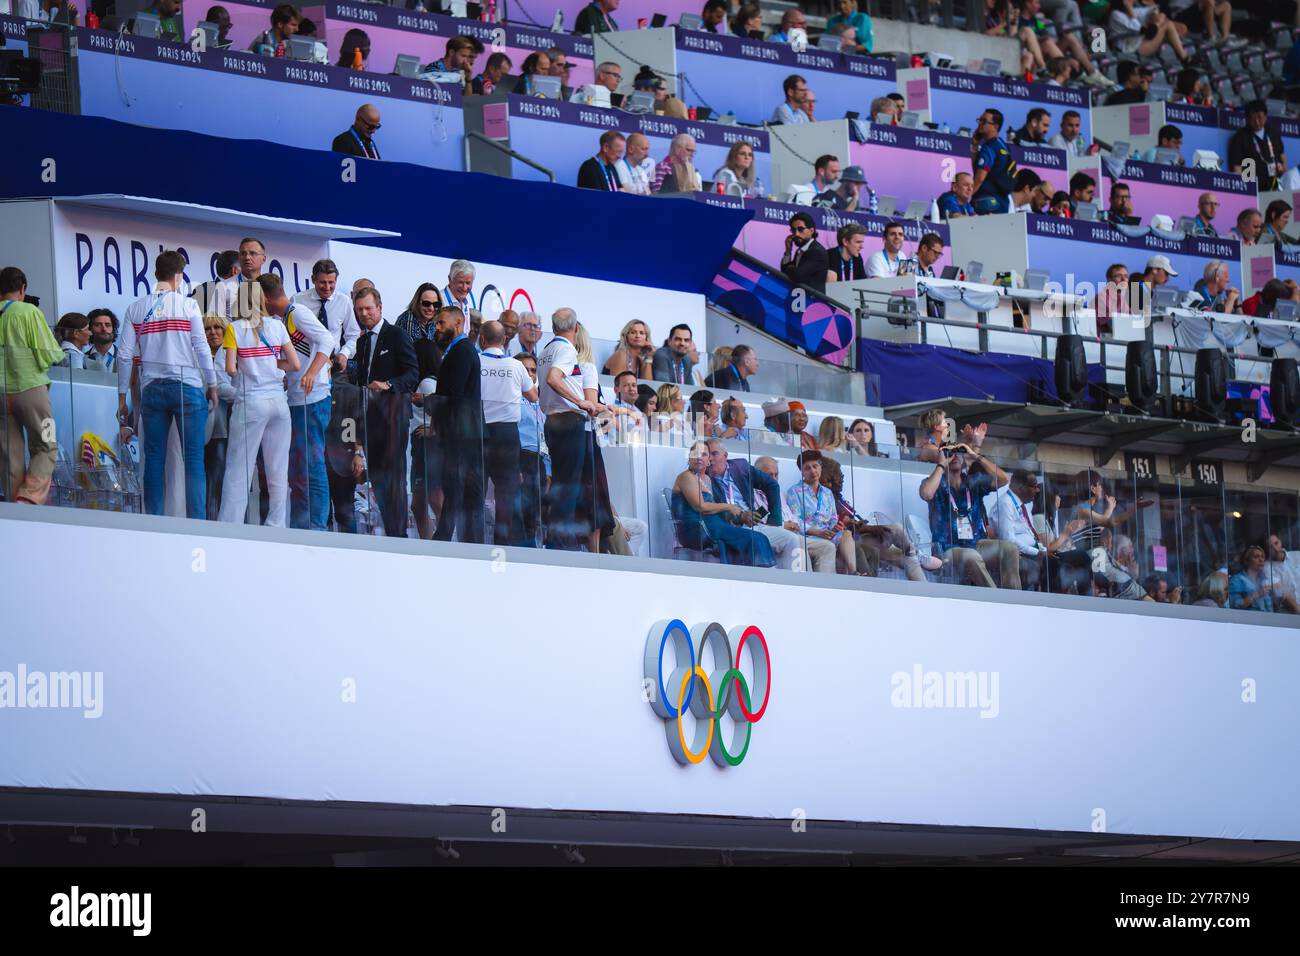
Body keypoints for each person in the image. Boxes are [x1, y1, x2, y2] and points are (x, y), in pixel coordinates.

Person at [116, 252, 217, 518]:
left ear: (155, 274)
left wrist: (121, 397)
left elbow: (124, 355)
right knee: (194, 460)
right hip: (188, 387)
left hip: (151, 388)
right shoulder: (188, 306)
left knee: (154, 459)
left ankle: (154, 520)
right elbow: (202, 347)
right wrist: (213, 384)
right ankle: (198, 524)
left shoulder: (135, 308)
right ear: (178, 276)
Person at [217, 278, 300, 527]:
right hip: (278, 402)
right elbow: (294, 365)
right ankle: (277, 525)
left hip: (251, 401)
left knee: (238, 468)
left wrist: (249, 366)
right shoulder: (277, 327)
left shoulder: (234, 329)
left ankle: (230, 525)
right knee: (278, 469)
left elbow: (230, 369)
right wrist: (268, 367)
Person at [264, 273, 335, 531]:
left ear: (266, 298)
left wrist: (311, 373)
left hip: (313, 398)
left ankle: (317, 526)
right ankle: (303, 523)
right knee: (299, 465)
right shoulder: (281, 319)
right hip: (296, 397)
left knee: (313, 463)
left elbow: (328, 339)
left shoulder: (298, 312)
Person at [352, 286, 418, 536]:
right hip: (370, 417)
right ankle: (391, 531)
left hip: (393, 416)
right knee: (378, 479)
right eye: (360, 310)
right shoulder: (362, 341)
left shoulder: (397, 335)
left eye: (369, 308)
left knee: (394, 479)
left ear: (380, 308)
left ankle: (398, 535)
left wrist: (389, 385)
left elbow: (412, 372)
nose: (365, 313)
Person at [0, 267, 62, 504]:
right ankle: (28, 498)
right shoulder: (28, 312)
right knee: (47, 446)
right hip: (32, 392)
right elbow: (50, 354)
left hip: (1, 394)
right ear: (23, 288)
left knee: (9, 454)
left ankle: (12, 502)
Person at [540, 308, 598, 547]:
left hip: (552, 421)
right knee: (569, 485)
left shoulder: (546, 350)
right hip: (568, 421)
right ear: (576, 328)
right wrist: (580, 401)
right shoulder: (565, 349)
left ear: (554, 328)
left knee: (562, 483)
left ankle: (557, 539)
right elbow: (553, 379)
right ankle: (559, 542)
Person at [426, 305, 484, 544]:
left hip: (461, 434)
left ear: (458, 324)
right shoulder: (458, 350)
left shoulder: (461, 351)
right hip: (460, 432)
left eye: (441, 323)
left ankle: (446, 538)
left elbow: (453, 395)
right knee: (457, 487)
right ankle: (459, 538)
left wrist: (426, 400)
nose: (436, 328)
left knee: (456, 487)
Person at [918, 442, 1012, 587]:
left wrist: (975, 456)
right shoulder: (935, 483)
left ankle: (1012, 597)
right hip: (947, 549)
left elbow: (1004, 479)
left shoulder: (973, 482)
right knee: (970, 555)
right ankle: (995, 598)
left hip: (977, 544)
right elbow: (926, 493)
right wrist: (941, 465)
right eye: (949, 453)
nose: (955, 456)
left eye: (958, 452)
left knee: (1009, 549)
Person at [671, 441, 774, 566]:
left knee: (758, 537)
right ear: (689, 458)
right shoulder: (686, 477)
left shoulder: (707, 479)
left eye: (703, 454)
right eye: (695, 453)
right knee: (754, 539)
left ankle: (752, 576)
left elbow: (714, 508)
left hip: (713, 524)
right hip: (697, 528)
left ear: (708, 460)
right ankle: (753, 577)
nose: (699, 457)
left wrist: (739, 517)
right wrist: (730, 506)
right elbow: (701, 507)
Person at [704, 440, 798, 566]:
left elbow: (772, 485)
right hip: (729, 528)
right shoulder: (703, 478)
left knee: (791, 539)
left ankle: (787, 582)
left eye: (714, 454)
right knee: (757, 541)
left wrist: (774, 520)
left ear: (725, 455)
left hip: (753, 525)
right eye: (707, 454)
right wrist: (740, 516)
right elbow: (712, 510)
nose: (710, 458)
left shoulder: (741, 467)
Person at [782, 449, 854, 574]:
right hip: (808, 537)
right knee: (830, 546)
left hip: (827, 535)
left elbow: (832, 518)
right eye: (807, 468)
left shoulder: (827, 492)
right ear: (802, 472)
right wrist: (818, 532)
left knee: (846, 533)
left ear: (821, 467)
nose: (812, 471)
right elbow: (795, 520)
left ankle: (854, 572)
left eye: (815, 466)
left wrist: (835, 528)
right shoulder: (794, 492)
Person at [515, 351, 547, 547]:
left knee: (535, 515)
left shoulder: (539, 401)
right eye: (524, 370)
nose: (529, 374)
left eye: (533, 370)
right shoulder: (510, 398)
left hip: (539, 460)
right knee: (521, 514)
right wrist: (515, 466)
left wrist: (549, 470)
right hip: (521, 458)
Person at [1228, 101, 1286, 191]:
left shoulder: (1273, 133)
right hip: (1253, 187)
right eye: (1253, 118)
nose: (1257, 122)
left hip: (1275, 184)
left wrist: (1283, 169)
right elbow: (1237, 167)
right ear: (1247, 118)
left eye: (1260, 117)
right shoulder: (1239, 138)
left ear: (1266, 117)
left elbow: (1282, 156)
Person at [970, 109, 1017, 214]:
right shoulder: (1003, 144)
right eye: (980, 120)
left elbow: (980, 178)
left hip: (985, 203)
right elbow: (977, 169)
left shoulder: (989, 148)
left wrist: (968, 197)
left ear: (995, 126)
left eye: (984, 121)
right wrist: (974, 146)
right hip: (1002, 204)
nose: (980, 124)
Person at [780, 213, 828, 293]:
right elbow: (784, 272)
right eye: (793, 230)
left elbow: (797, 276)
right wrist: (788, 251)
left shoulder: (816, 251)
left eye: (800, 229)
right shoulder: (801, 250)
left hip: (812, 301)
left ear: (811, 231)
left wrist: (790, 269)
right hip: (798, 298)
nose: (796, 234)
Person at [443, 260, 477, 334]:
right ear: (449, 279)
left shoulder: (465, 302)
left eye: (468, 283)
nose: (464, 288)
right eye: (460, 282)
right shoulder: (439, 300)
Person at [82, 308, 118, 374]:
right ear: (90, 329)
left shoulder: (124, 357)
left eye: (108, 325)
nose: (104, 329)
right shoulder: (82, 359)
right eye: (98, 325)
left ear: (113, 329)